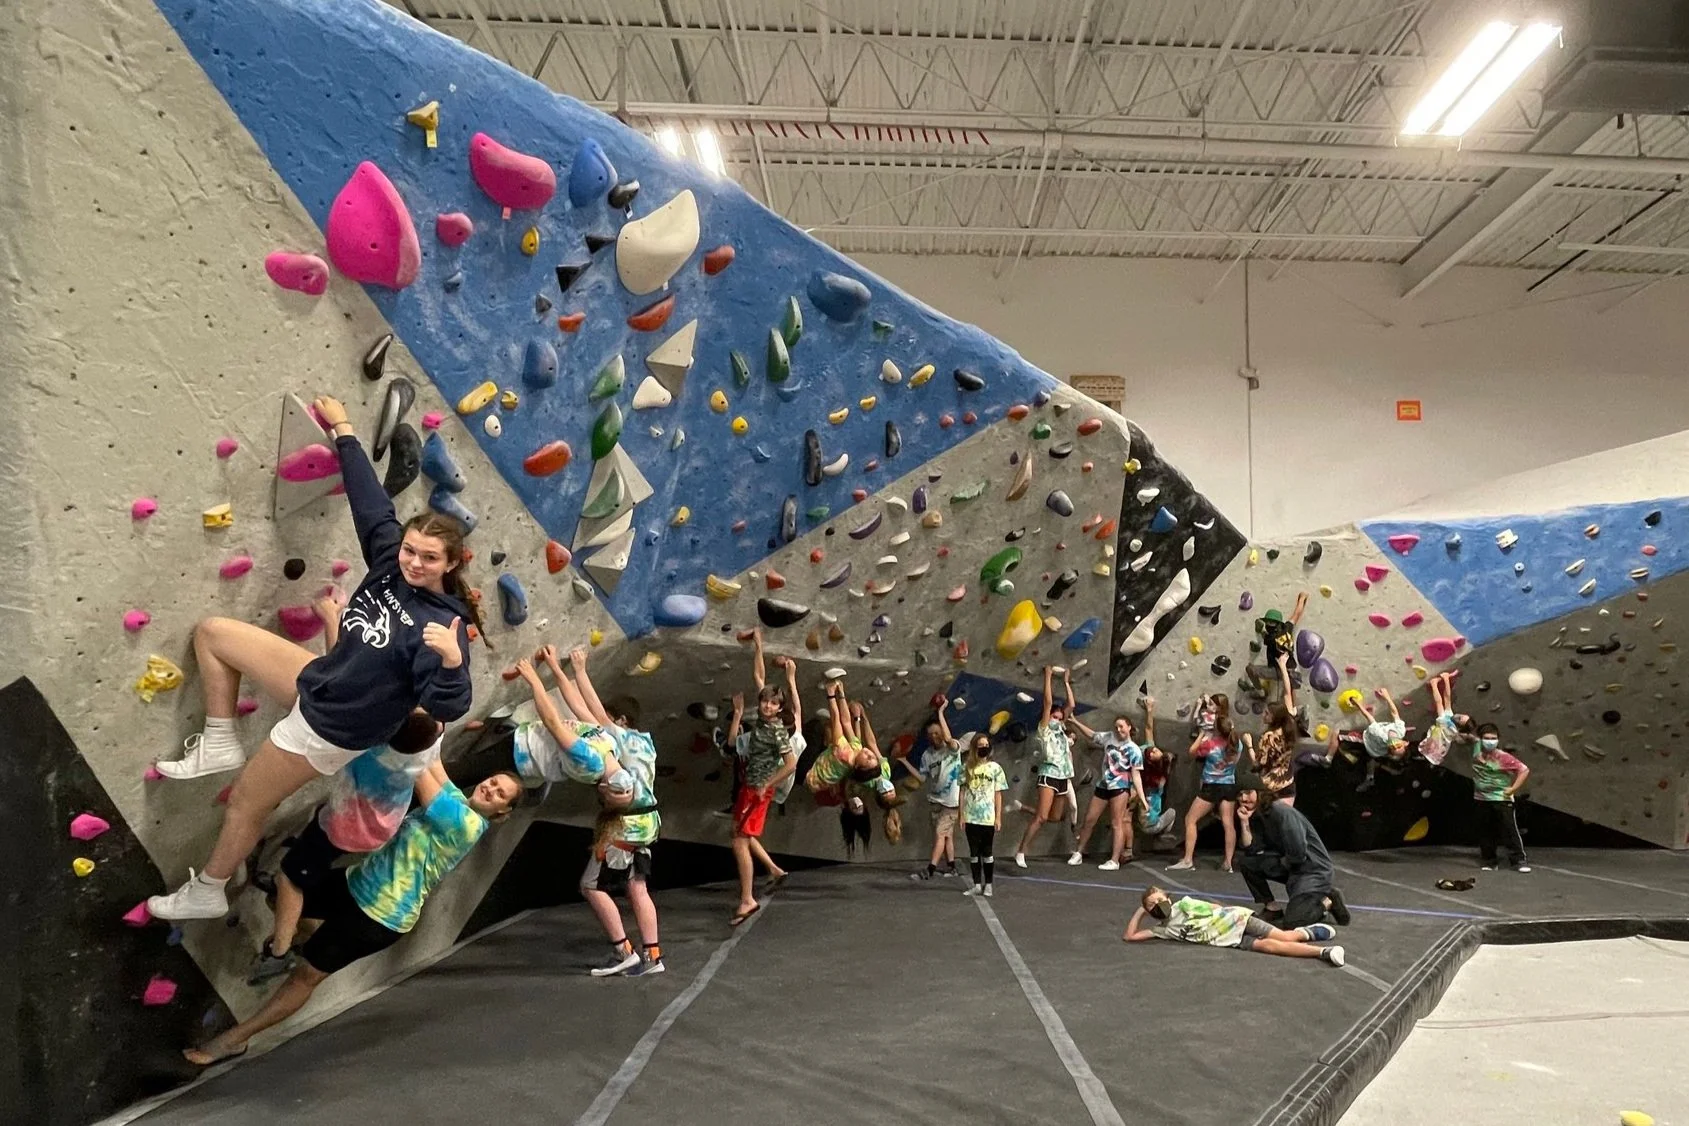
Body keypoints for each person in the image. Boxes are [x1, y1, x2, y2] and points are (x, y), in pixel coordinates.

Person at [149, 395, 480, 921]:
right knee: (214, 634)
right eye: (410, 550)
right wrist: (345, 430)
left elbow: (450, 703)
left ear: (452, 562)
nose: (414, 562)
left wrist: (451, 664)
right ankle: (217, 741)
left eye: (429, 558)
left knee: (246, 805)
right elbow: (372, 504)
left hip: (330, 728)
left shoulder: (442, 626)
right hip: (322, 681)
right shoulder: (391, 566)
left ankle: (209, 889)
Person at [182, 761, 520, 1065]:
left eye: (499, 794)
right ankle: (296, 943)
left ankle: (234, 1040)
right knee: (284, 896)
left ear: (501, 812)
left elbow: (418, 766)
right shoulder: (457, 802)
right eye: (492, 781)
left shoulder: (466, 824)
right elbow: (432, 758)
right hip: (354, 882)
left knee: (305, 977)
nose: (489, 789)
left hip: (379, 917)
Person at [248, 706, 445, 983]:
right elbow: (435, 724)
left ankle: (277, 953)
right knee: (316, 858)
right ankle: (297, 886)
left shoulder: (373, 750)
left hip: (343, 826)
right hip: (380, 826)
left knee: (291, 878)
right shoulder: (429, 746)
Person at [723, 633, 801, 927]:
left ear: (780, 709)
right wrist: (759, 645)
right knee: (740, 833)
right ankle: (774, 870)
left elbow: (791, 764)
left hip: (757, 790)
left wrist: (767, 784)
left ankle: (747, 898)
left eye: (772, 704)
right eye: (765, 702)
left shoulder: (777, 731)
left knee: (739, 842)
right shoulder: (763, 720)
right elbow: (759, 677)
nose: (767, 706)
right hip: (749, 787)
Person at [1124, 886, 1345, 966]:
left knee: (1284, 938)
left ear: (1168, 899)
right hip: (1230, 940)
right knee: (1269, 947)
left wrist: (1229, 909)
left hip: (1237, 919)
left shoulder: (1185, 904)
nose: (1157, 905)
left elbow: (1212, 906)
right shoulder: (1163, 930)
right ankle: (1320, 949)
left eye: (1159, 900)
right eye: (1152, 905)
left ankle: (1311, 937)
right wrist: (1141, 910)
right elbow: (1130, 936)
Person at [1235, 788, 1350, 927]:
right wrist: (1244, 822)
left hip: (1311, 869)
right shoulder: (1259, 815)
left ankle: (1327, 900)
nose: (1243, 799)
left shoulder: (1282, 812)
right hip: (1291, 865)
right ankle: (1272, 908)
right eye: (1239, 795)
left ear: (1259, 792)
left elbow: (1298, 851)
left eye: (1247, 793)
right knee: (1248, 863)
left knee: (1292, 922)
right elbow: (1251, 849)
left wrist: (1284, 867)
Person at [1169, 693, 1240, 873]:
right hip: (1229, 785)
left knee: (1190, 819)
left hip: (1211, 786)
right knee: (1228, 823)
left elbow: (1192, 752)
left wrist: (1201, 734)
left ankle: (1187, 860)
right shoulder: (1237, 744)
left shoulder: (1211, 744)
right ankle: (1228, 862)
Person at [1015, 666, 1077, 867]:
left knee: (1055, 817)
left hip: (1063, 777)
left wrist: (1066, 682)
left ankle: (1024, 808)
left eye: (1060, 718)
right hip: (1049, 774)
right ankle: (1021, 851)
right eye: (1054, 717)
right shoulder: (1044, 730)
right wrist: (1049, 676)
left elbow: (1072, 704)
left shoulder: (1061, 731)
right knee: (1041, 818)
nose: (1057, 720)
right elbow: (1048, 702)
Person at [1067, 710, 1144, 870]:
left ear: (1129, 727)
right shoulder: (1109, 737)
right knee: (1089, 819)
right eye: (1116, 727)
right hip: (1103, 785)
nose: (1118, 730)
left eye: (1122, 726)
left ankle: (1114, 860)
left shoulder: (1134, 749)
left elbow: (1136, 776)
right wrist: (1074, 721)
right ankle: (1078, 852)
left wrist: (1142, 799)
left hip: (1120, 788)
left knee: (1117, 823)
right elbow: (1093, 735)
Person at [912, 699, 963, 881]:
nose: (934, 736)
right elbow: (922, 778)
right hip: (935, 801)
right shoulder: (927, 755)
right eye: (930, 734)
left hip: (951, 803)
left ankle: (930, 869)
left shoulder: (952, 750)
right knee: (947, 836)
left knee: (940, 834)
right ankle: (952, 867)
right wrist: (903, 761)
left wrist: (941, 712)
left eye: (937, 732)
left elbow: (949, 739)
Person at [1243, 653, 1302, 807]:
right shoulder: (1289, 724)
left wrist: (1249, 744)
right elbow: (1287, 693)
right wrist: (1282, 665)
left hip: (1273, 786)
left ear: (1274, 718)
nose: (1264, 714)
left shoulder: (1269, 737)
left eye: (1267, 714)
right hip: (1288, 781)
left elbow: (1257, 764)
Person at [1471, 723, 1530, 872]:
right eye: (1487, 738)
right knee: (1485, 831)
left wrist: (1513, 789)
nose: (1490, 741)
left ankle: (1518, 861)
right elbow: (1464, 734)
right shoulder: (1476, 749)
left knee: (1509, 830)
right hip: (1481, 798)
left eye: (1494, 738)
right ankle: (1489, 861)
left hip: (1501, 799)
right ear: (1480, 739)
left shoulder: (1503, 757)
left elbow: (1523, 770)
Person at [959, 733, 1007, 898]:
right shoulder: (966, 768)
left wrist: (998, 817)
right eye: (980, 745)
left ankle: (989, 885)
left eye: (986, 745)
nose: (984, 748)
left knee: (987, 852)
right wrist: (961, 815)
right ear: (974, 748)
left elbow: (998, 794)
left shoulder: (995, 768)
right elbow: (962, 792)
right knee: (973, 853)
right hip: (971, 816)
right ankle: (977, 884)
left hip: (987, 818)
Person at [1242, 592, 1308, 701]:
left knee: (1250, 669)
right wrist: (1302, 599)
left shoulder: (1270, 639)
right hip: (1292, 668)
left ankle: (1261, 693)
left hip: (1277, 670)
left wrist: (1261, 631)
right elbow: (1296, 614)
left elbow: (1264, 636)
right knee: (1288, 698)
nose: (1268, 625)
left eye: (1270, 623)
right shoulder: (1287, 628)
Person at [1355, 686, 1409, 792]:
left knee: (1338, 733)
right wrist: (1387, 697)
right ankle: (1371, 776)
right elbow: (1394, 713)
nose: (1395, 744)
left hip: (1368, 742)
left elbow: (1369, 717)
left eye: (1393, 747)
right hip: (1378, 752)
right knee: (1372, 762)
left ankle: (1372, 775)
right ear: (1405, 742)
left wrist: (1358, 704)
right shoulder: (1400, 730)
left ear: (1389, 748)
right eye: (1398, 745)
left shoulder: (1379, 734)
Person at [1135, 698, 1175, 839]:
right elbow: (1148, 728)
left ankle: (1162, 832)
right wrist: (1149, 710)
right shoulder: (1158, 777)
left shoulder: (1142, 759)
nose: (1153, 750)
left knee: (1168, 811)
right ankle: (1164, 832)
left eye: (1154, 753)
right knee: (1172, 812)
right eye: (1155, 750)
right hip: (1148, 823)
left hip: (1149, 824)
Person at [1418, 671, 1475, 766]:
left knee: (1440, 704)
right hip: (1442, 736)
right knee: (1446, 702)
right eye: (1462, 715)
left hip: (1438, 736)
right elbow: (1447, 698)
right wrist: (1446, 679)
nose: (1459, 715)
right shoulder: (1452, 719)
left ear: (1458, 727)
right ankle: (1441, 680)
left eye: (1460, 718)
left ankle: (1433, 683)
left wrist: (1434, 684)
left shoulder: (1445, 723)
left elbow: (1439, 702)